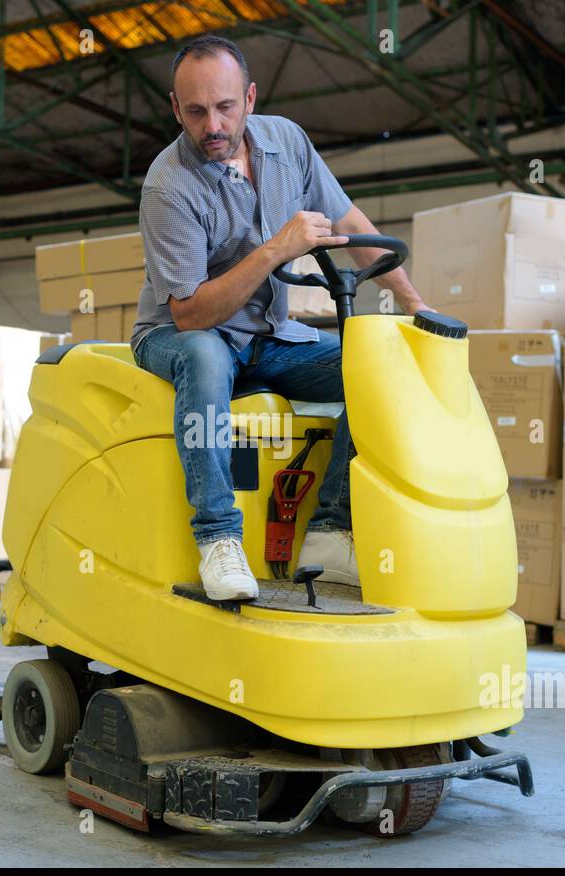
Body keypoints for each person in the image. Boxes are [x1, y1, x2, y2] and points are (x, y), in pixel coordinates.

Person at [131, 35, 428, 601]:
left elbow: (347, 223)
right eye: (195, 112)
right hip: (178, 335)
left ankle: (329, 530)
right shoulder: (168, 185)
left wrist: (414, 303)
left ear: (249, 97)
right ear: (175, 108)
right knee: (204, 355)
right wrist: (273, 251)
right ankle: (218, 538)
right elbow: (190, 314)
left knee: (375, 369)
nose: (212, 125)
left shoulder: (286, 142)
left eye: (224, 107)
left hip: (267, 337)